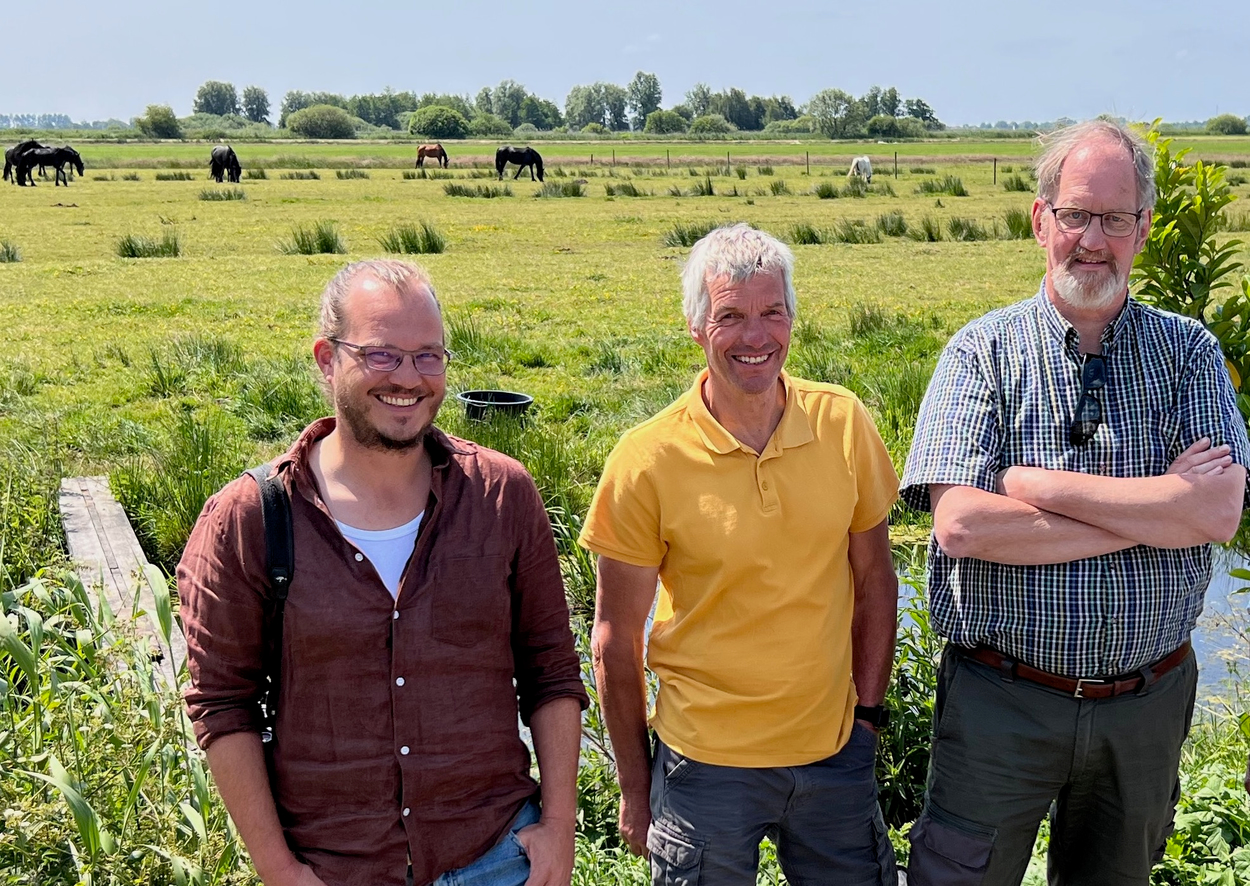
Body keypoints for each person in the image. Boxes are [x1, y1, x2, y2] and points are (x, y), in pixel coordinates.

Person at [900, 120, 1250, 885]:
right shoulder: (981, 351)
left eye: (1115, 219)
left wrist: (1032, 485)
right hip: (1001, 704)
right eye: (1076, 215)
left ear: (1143, 229)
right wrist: (1157, 514)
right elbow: (961, 525)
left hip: (1144, 707)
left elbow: (1218, 513)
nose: (1093, 240)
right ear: (1040, 220)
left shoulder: (1188, 352)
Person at [179, 259, 588, 886]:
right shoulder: (251, 518)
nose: (409, 379)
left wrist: (560, 827)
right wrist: (278, 868)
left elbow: (551, 669)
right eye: (382, 355)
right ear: (325, 358)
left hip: (497, 857)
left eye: (429, 357)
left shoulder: (502, 496)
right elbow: (223, 704)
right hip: (332, 867)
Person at [579, 224, 900, 885]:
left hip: (834, 754)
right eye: (731, 316)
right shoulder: (646, 460)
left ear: (791, 318)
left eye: (772, 313)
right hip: (704, 768)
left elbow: (875, 580)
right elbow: (613, 641)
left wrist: (867, 718)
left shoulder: (843, 423)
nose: (756, 338)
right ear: (697, 326)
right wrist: (638, 790)